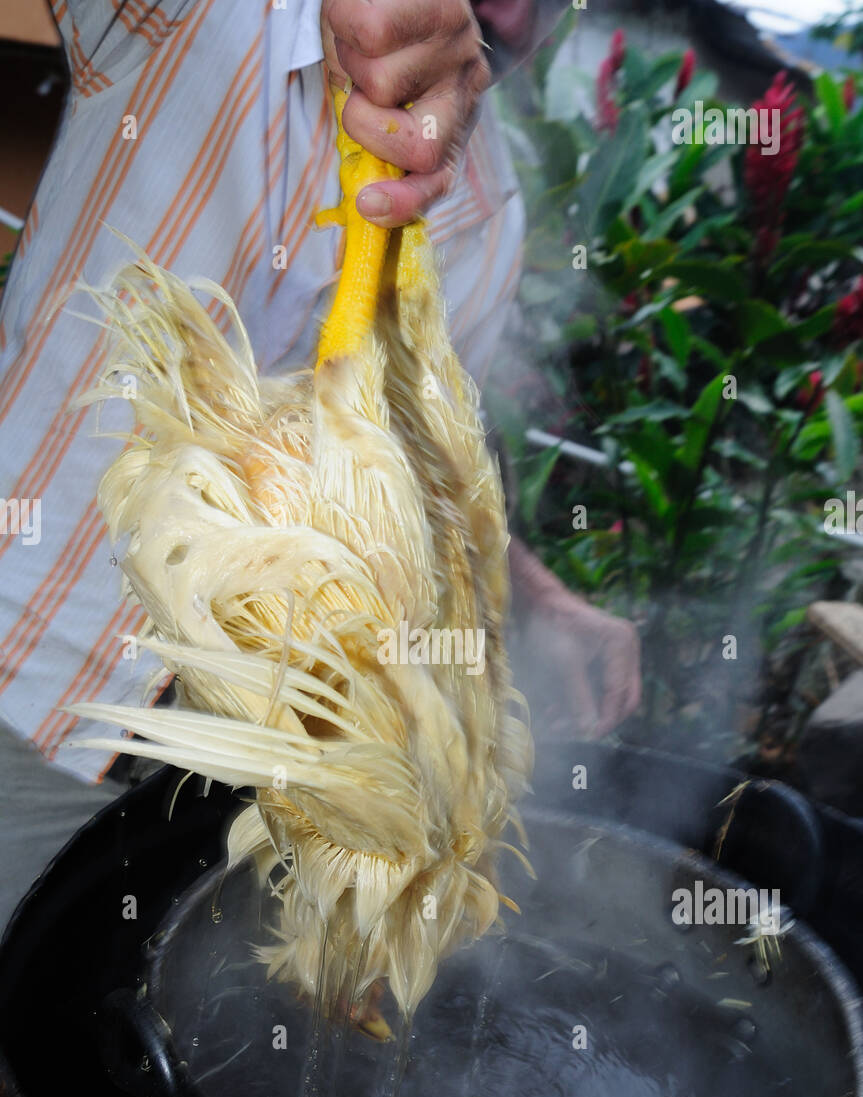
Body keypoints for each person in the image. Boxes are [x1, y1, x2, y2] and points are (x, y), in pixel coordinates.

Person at [0, 0, 640, 929]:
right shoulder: (197, 19)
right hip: (31, 676)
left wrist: (535, 595)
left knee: (119, 1002)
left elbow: (412, 471)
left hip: (244, 761)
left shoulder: (488, 215)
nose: (508, 12)